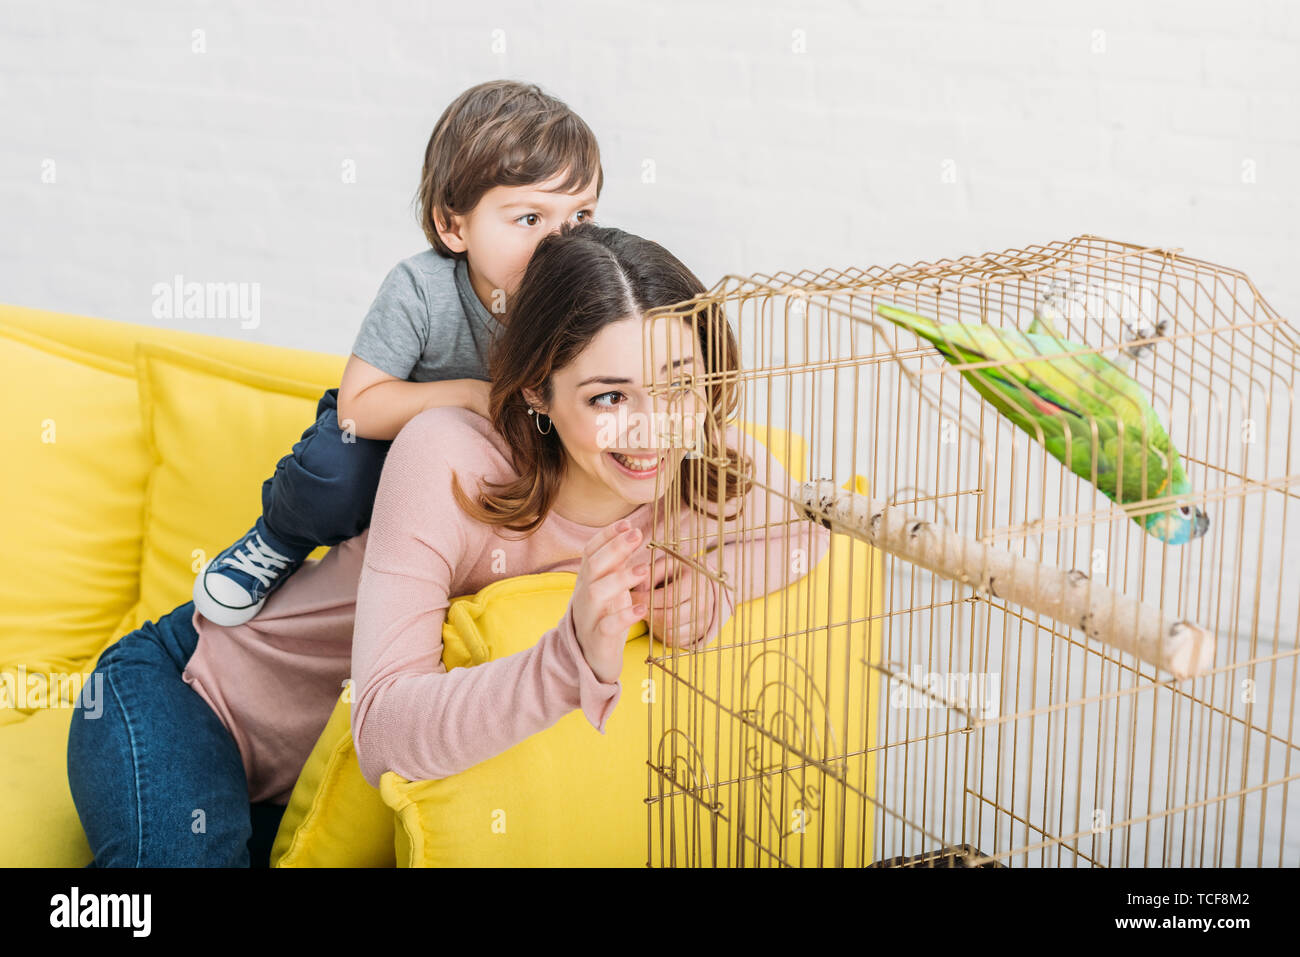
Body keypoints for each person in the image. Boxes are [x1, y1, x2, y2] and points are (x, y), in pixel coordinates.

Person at [67, 222, 831, 866]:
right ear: (536, 392)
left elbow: (811, 535)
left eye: (678, 384)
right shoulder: (450, 459)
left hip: (317, 791)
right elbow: (384, 731)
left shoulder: (711, 473)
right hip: (193, 695)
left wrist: (715, 586)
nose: (653, 427)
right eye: (608, 396)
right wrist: (568, 659)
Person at [190, 78, 602, 627]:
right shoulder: (419, 289)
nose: (561, 244)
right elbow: (360, 407)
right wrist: (468, 396)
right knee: (335, 472)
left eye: (580, 218)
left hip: (492, 455)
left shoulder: (584, 297)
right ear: (452, 226)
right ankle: (277, 538)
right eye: (529, 219)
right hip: (388, 440)